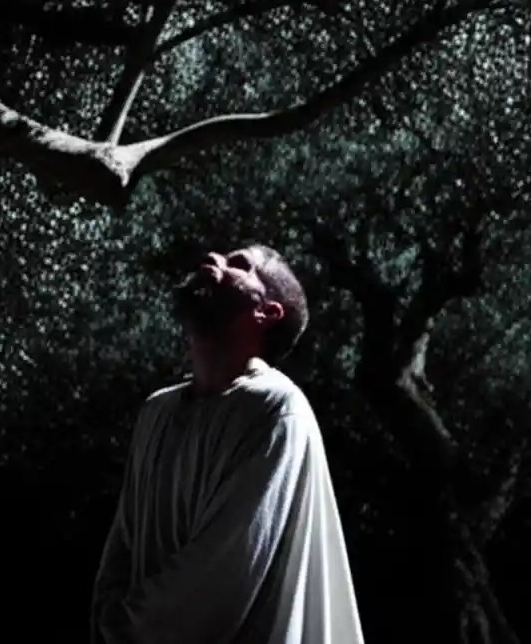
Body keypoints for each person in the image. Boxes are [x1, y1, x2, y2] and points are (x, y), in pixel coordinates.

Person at [91, 244, 366, 644]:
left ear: (267, 312)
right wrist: (106, 615)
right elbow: (122, 547)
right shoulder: (157, 411)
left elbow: (223, 573)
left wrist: (123, 627)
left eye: (239, 265)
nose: (212, 259)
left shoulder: (276, 408)